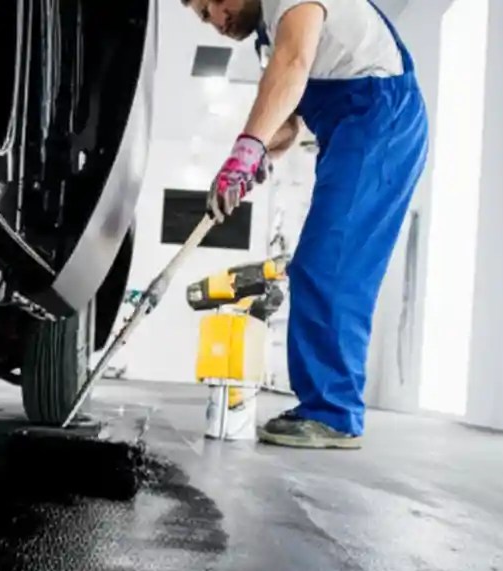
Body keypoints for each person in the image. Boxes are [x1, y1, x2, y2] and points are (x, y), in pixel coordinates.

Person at [181, 0, 429, 449]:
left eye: (211, 3)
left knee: (329, 262)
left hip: (379, 116)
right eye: (203, 16)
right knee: (321, 262)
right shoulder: (269, 34)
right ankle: (327, 406)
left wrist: (248, 147)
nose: (216, 20)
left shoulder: (286, 6)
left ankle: (333, 414)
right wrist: (255, 156)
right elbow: (288, 123)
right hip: (354, 125)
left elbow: (294, 64)